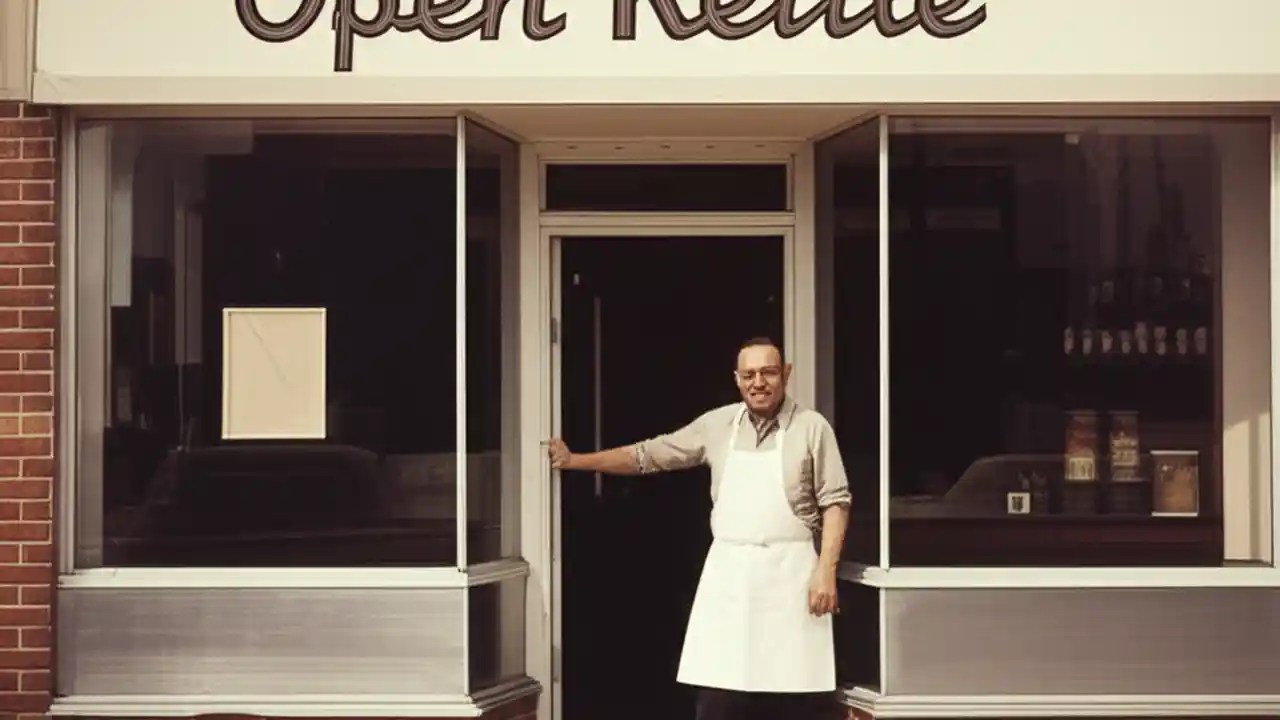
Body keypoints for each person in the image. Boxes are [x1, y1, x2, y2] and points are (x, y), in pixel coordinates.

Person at [546, 337, 851, 720]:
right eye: (749, 374)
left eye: (769, 372)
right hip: (730, 576)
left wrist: (825, 572)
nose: (759, 382)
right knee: (720, 698)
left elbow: (836, 501)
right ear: (737, 379)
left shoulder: (812, 428)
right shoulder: (718, 425)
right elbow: (649, 456)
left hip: (792, 577)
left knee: (792, 700)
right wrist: (576, 461)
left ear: (786, 374)